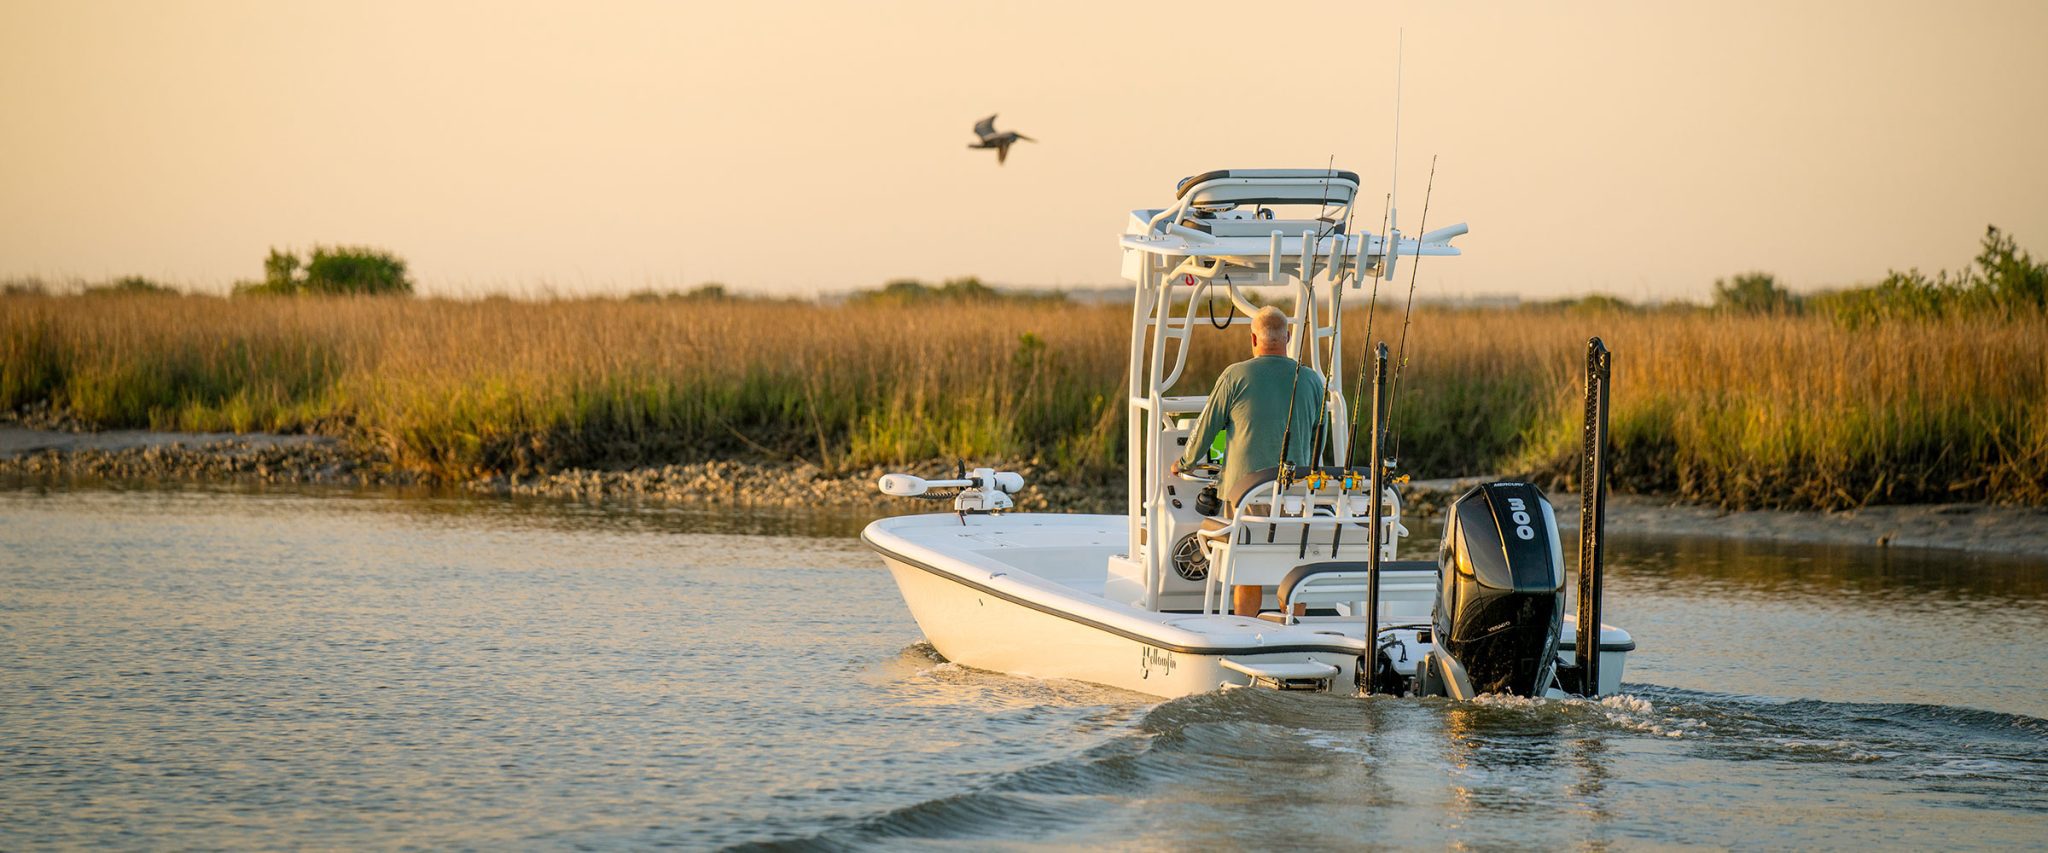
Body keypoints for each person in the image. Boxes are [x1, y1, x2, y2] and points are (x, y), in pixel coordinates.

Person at [1169, 305, 1325, 616]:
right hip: (1295, 498)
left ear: (1253, 338)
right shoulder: (1312, 381)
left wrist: (1184, 463)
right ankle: (1292, 627)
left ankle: (1243, 628)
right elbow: (1317, 443)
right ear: (1288, 337)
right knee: (1292, 569)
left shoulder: (1235, 375)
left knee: (1245, 572)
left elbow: (1205, 430)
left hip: (1246, 497)